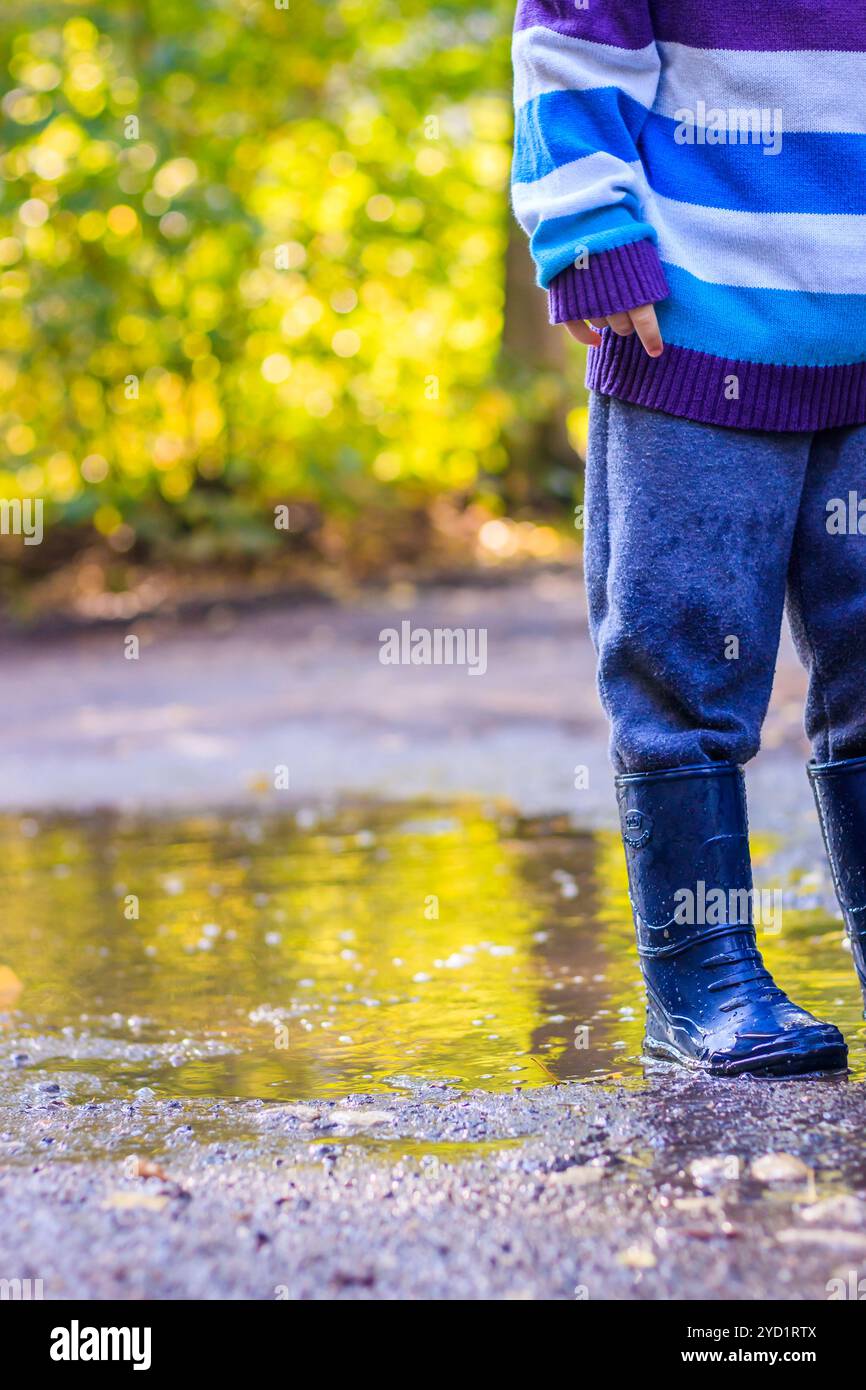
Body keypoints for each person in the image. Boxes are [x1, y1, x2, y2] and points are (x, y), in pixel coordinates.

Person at [511, 0, 866, 1075]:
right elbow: (566, 43)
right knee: (681, 649)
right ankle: (698, 974)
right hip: (688, 328)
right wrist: (586, 232)